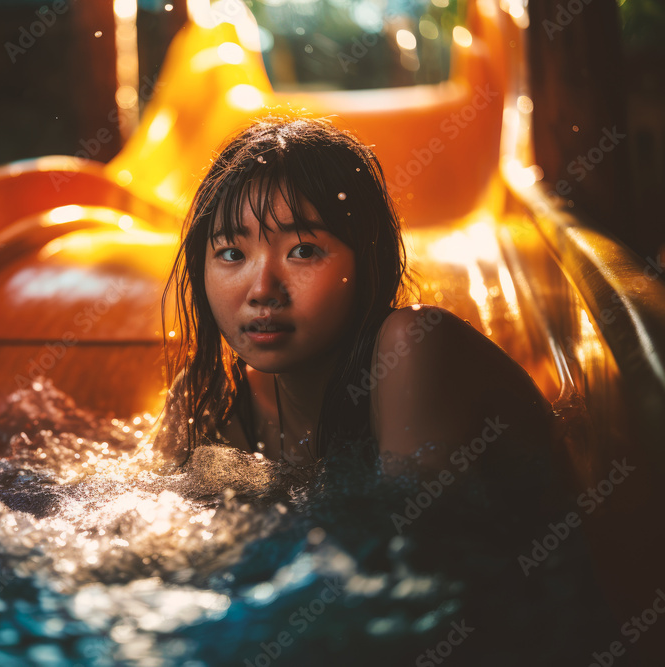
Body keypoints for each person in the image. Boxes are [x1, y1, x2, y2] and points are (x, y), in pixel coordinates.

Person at [153, 114, 551, 476]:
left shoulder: (413, 344)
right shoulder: (211, 398)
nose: (261, 291)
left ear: (368, 260)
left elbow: (414, 538)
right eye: (232, 254)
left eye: (303, 251)